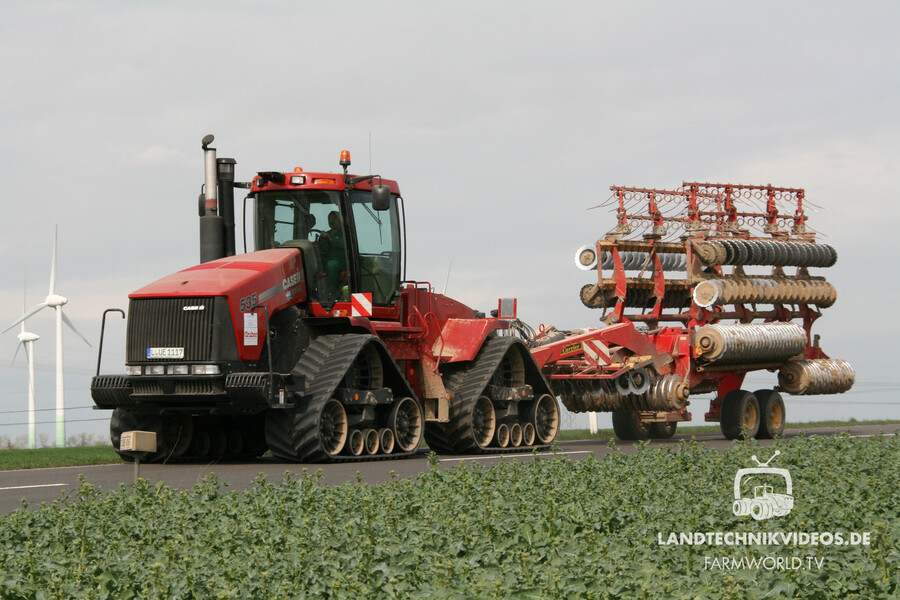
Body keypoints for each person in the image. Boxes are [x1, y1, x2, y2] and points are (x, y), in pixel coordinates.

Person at [319, 211, 346, 286]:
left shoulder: (345, 233)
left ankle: (334, 289)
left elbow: (341, 244)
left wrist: (330, 238)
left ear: (340, 220)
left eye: (334, 218)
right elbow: (321, 249)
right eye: (329, 219)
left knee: (331, 265)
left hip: (341, 261)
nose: (331, 221)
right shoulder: (325, 235)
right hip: (327, 260)